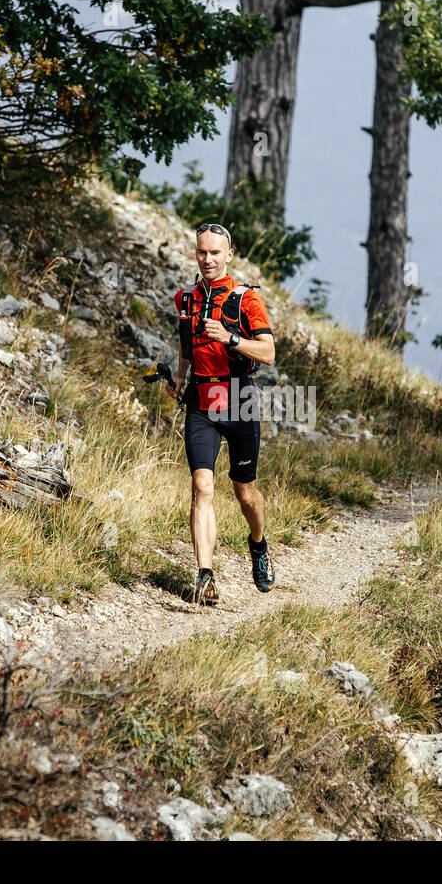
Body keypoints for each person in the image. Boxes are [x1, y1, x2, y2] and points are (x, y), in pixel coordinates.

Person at [167, 222, 277, 605]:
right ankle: (205, 576)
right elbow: (186, 345)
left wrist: (230, 338)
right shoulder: (186, 299)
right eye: (202, 252)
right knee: (202, 486)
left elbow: (268, 352)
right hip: (201, 401)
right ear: (195, 254)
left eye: (215, 252)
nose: (208, 259)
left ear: (229, 255)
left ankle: (258, 544)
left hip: (240, 399)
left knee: (245, 494)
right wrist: (180, 378)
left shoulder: (246, 300)